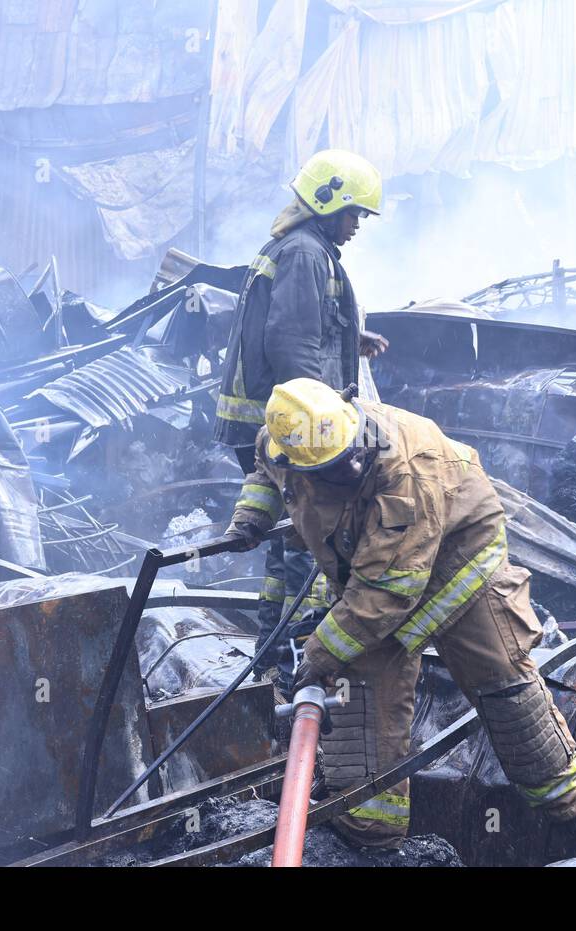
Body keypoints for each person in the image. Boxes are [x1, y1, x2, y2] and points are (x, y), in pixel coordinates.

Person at [226, 378, 576, 853]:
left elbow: (388, 593)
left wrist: (321, 650)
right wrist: (250, 518)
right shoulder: (286, 441)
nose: (354, 465)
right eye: (337, 466)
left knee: (502, 683)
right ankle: (370, 837)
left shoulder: (406, 474)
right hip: (372, 577)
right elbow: (266, 473)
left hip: (455, 564)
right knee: (363, 708)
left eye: (352, 454)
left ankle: (572, 813)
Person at [214, 149, 390, 688]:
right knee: (306, 540)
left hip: (277, 422)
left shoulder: (304, 249)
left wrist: (348, 338)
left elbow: (302, 322)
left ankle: (276, 651)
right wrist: (324, 430)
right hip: (287, 426)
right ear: (327, 202)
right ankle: (296, 654)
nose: (357, 224)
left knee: (287, 542)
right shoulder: (305, 254)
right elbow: (290, 344)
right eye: (353, 212)